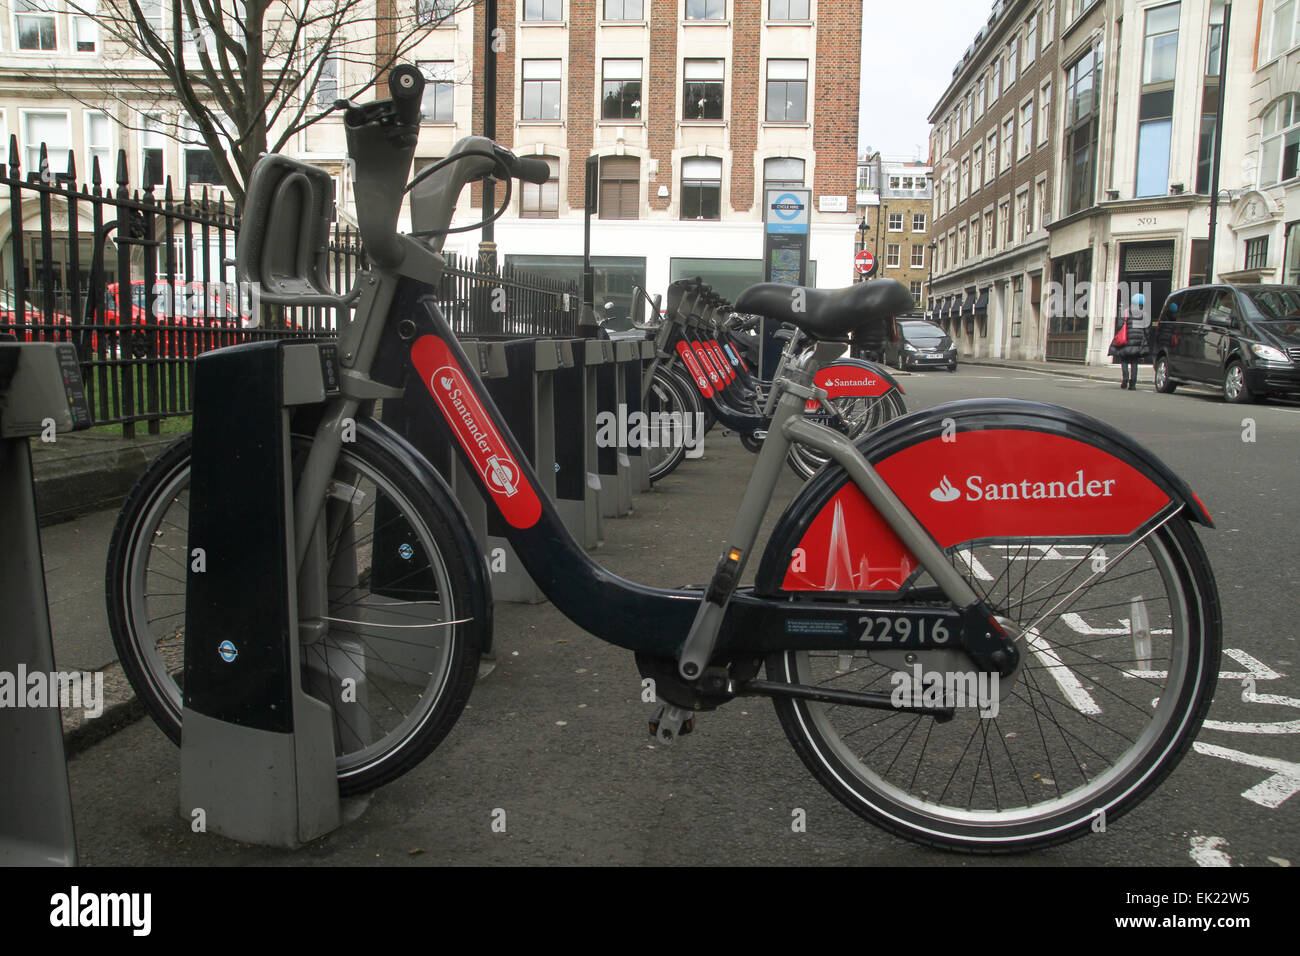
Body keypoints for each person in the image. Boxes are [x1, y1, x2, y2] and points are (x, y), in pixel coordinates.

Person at [1109, 293, 1149, 390]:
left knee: (1124, 360)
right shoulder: (1144, 314)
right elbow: (1147, 328)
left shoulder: (1126, 312)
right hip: (1138, 341)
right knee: (1134, 362)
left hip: (1126, 339)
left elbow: (1120, 325)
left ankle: (1125, 379)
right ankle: (1133, 384)